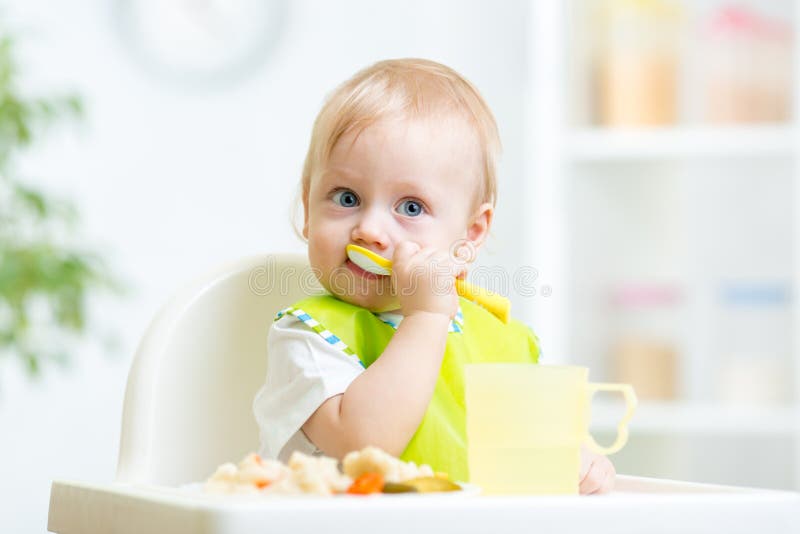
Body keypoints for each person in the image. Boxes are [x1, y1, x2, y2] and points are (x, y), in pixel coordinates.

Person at [253, 58, 616, 494]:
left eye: (410, 207)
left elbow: (527, 457)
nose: (369, 229)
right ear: (309, 209)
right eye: (346, 197)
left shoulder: (499, 341)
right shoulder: (308, 338)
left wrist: (574, 463)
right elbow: (365, 445)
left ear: (470, 234)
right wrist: (426, 316)